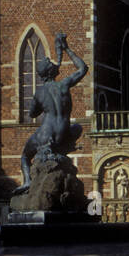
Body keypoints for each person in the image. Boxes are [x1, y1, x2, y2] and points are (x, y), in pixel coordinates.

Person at [15, 32, 86, 192]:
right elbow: (82, 68)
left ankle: (27, 182)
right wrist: (67, 49)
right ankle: (60, 151)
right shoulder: (64, 84)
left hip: (45, 136)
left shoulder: (39, 92)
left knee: (25, 156)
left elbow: (32, 114)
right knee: (78, 127)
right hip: (65, 133)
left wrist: (42, 104)